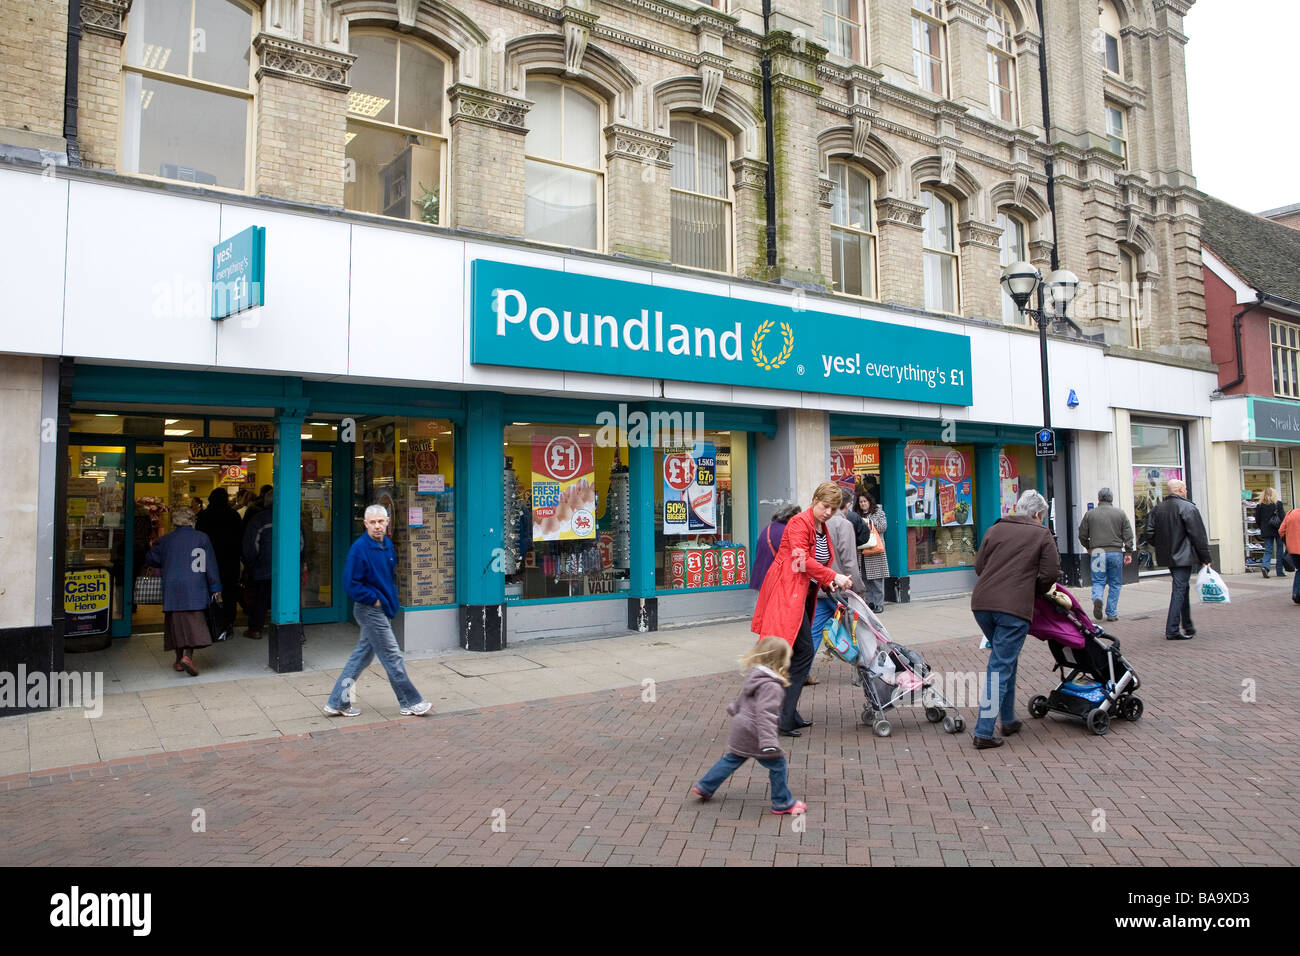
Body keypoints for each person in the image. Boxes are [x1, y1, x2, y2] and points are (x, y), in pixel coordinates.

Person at [751, 482, 852, 737]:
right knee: (801, 652)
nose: (828, 512)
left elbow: (814, 563)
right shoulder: (799, 523)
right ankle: (781, 715)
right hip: (787, 593)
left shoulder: (821, 527)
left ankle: (785, 713)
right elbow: (800, 560)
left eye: (833, 508)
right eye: (824, 506)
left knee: (795, 654)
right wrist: (834, 576)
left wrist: (826, 582)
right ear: (814, 499)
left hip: (801, 595)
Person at [969, 490, 1060, 750]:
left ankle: (1008, 719)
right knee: (1000, 665)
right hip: (1013, 607)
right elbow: (1050, 572)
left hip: (982, 604)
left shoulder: (995, 529)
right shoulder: (1041, 534)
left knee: (1005, 658)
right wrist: (1036, 590)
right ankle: (984, 731)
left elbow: (979, 567)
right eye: (1041, 516)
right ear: (1037, 514)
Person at [323, 505, 432, 718]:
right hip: (370, 611)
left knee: (360, 659)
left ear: (387, 522)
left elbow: (387, 576)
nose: (377, 526)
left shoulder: (387, 545)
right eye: (372, 522)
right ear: (365, 524)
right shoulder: (359, 549)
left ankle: (338, 702)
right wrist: (374, 600)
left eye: (381, 522)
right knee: (392, 656)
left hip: (380, 609)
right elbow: (350, 583)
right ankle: (411, 701)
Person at [690, 636, 806, 815]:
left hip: (741, 725)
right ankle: (782, 802)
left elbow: (744, 698)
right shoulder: (772, 686)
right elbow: (765, 714)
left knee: (733, 758)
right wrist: (768, 742)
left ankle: (705, 786)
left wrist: (735, 709)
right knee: (778, 765)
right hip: (756, 733)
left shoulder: (755, 675)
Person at [144, 506, 222, 676]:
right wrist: (215, 587)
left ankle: (179, 660)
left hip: (172, 586)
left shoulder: (166, 540)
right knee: (193, 622)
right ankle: (187, 657)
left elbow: (151, 558)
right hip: (195, 586)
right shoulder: (202, 538)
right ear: (192, 521)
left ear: (175, 522)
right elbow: (210, 565)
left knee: (175, 623)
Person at [1143, 478, 1212, 641]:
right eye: (1185, 488)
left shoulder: (1158, 508)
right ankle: (1172, 629)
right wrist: (1206, 558)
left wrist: (1162, 545)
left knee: (1182, 588)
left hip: (1168, 555)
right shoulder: (1188, 507)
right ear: (1180, 490)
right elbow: (1198, 535)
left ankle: (1187, 625)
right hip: (1183, 555)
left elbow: (1149, 533)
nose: (1187, 490)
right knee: (1180, 589)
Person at [1077, 487, 1134, 621]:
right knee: (1115, 583)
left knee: (1098, 581)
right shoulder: (1120, 513)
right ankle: (1112, 613)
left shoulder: (1090, 514)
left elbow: (1082, 534)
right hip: (1115, 552)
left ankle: (1097, 597)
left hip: (1097, 552)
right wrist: (1129, 552)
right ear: (1111, 499)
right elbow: (1128, 534)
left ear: (1099, 498)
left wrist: (1088, 547)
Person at [195, 487, 243, 639]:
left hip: (209, 559)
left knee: (208, 591)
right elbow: (239, 537)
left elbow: (199, 538)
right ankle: (228, 624)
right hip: (230, 560)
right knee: (230, 593)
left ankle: (209, 623)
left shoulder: (204, 515)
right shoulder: (233, 515)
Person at [751, 504, 800, 592]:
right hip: (775, 581)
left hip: (762, 577)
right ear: (790, 517)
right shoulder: (785, 531)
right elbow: (795, 557)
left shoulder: (768, 528)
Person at [855, 490, 889, 613]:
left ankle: (879, 604)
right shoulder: (856, 515)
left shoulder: (878, 513)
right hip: (862, 551)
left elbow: (883, 527)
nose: (863, 504)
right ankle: (870, 603)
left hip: (875, 550)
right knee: (865, 579)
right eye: (860, 502)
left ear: (869, 502)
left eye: (865, 501)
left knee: (877, 580)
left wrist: (868, 522)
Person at [1255, 488, 1288, 579]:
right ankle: (1280, 571)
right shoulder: (1278, 504)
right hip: (1278, 529)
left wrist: (1262, 527)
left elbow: (1257, 520)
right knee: (1280, 550)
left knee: (1268, 550)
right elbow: (1283, 517)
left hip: (1266, 531)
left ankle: (1265, 567)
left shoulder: (1260, 506)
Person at [1277, 506, 1300, 604]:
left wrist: (1288, 542)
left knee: (1299, 570)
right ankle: (1297, 594)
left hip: (1293, 549)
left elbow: (1281, 531)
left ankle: (1296, 594)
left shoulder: (1291, 513)